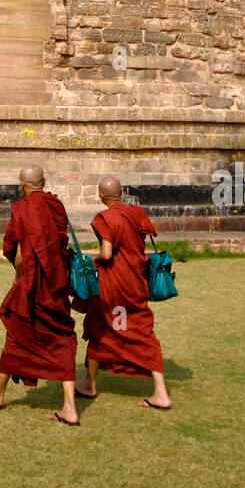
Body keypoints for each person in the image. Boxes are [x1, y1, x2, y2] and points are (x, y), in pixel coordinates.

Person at [0, 164, 79, 425]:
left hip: (32, 284)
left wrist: (18, 277)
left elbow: (18, 254)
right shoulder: (56, 206)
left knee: (17, 333)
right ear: (45, 180)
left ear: (21, 184)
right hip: (57, 283)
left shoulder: (22, 208)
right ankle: (69, 407)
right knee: (62, 337)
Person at [76, 175, 171, 409]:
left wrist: (90, 259)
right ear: (121, 193)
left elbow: (107, 254)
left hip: (115, 284)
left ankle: (92, 383)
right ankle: (91, 382)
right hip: (136, 281)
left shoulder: (107, 218)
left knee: (114, 328)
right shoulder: (135, 213)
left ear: (100, 195)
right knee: (128, 328)